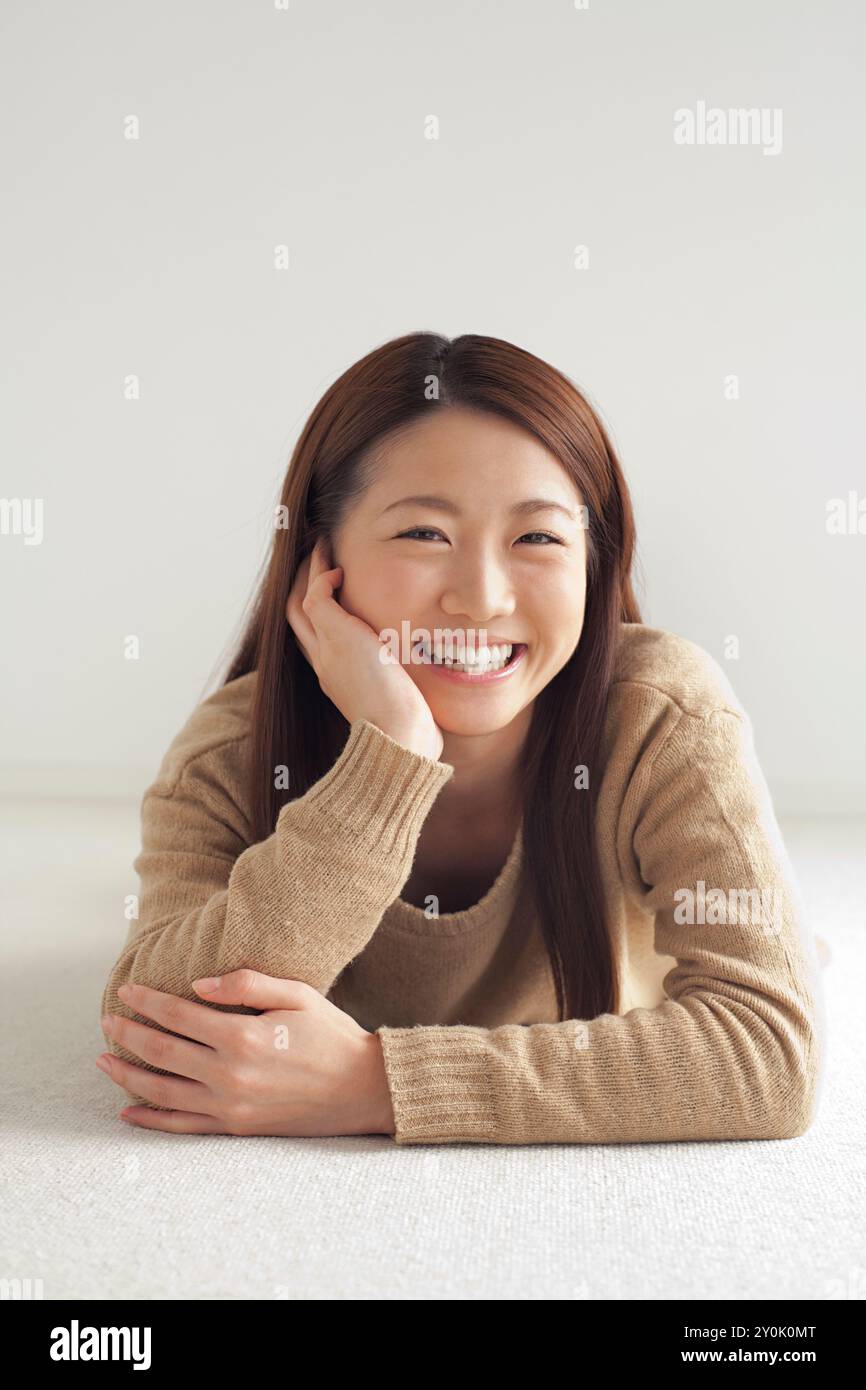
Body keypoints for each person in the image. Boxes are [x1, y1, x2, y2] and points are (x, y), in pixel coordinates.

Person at [97, 331, 826, 1145]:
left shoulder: (663, 714)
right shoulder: (232, 750)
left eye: (538, 538)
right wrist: (389, 762)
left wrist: (375, 1083)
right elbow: (153, 1032)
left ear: (593, 561)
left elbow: (769, 1056)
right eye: (423, 535)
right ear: (320, 560)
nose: (479, 599)